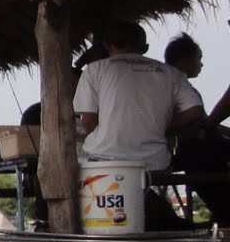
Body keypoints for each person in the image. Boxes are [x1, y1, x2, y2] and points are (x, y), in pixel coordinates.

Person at [73, 22, 200, 174]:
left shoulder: (94, 70)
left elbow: (88, 121)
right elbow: (195, 110)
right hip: (155, 163)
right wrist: (163, 128)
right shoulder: (171, 73)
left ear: (107, 45)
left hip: (105, 162)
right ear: (145, 48)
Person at [163, 32, 230, 225]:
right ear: (184, 61)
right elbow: (201, 122)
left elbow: (207, 122)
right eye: (198, 59)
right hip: (192, 151)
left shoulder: (179, 87)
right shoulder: (177, 88)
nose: (201, 64)